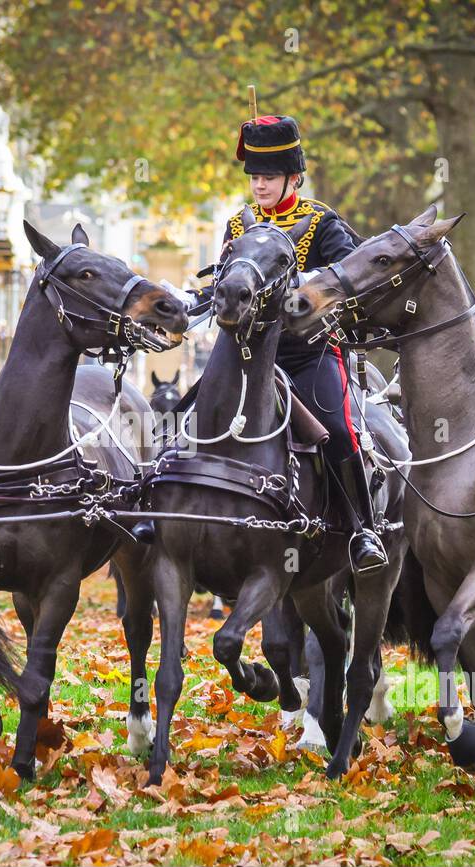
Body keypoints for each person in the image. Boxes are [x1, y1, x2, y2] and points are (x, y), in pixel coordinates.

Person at [162, 114, 387, 574]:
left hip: (307, 354)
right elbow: (225, 286)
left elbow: (349, 278)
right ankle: (163, 516)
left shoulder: (322, 222)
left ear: (294, 177)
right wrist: (189, 300)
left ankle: (362, 529)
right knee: (177, 419)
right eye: (254, 177)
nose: (259, 186)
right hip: (244, 356)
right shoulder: (237, 223)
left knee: (339, 431)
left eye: (267, 177)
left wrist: (299, 282)